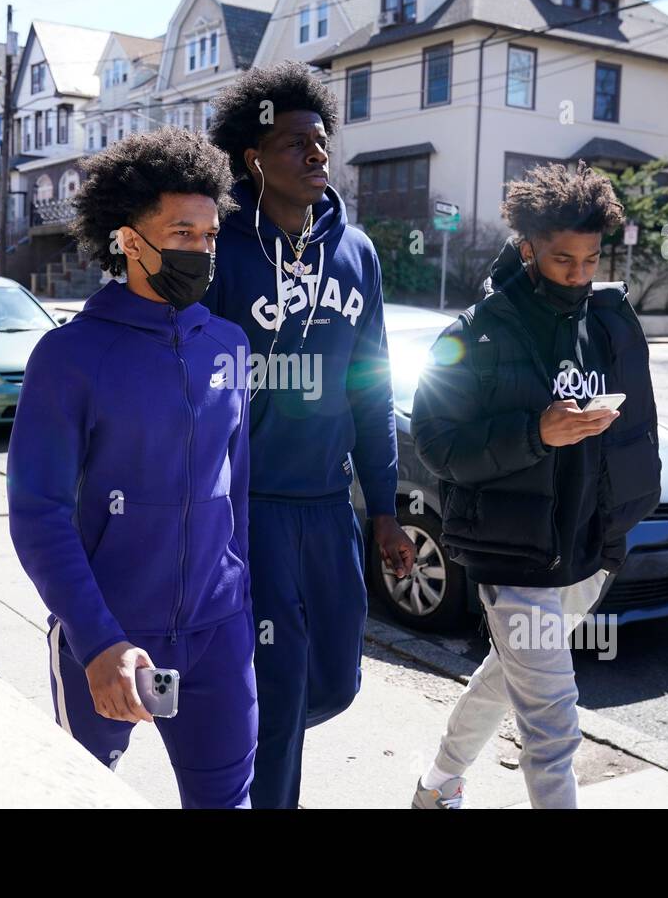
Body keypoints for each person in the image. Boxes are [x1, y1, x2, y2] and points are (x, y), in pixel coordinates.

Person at [6, 127, 256, 808]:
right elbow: (39, 515)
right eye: (182, 233)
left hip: (217, 633)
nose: (201, 252)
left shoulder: (229, 346)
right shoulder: (69, 356)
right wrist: (96, 641)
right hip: (109, 635)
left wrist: (242, 612)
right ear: (127, 240)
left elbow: (238, 496)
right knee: (79, 796)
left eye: (208, 236)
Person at [410, 161, 662, 809]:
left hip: (587, 546)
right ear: (528, 250)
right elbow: (436, 446)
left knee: (505, 678)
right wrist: (535, 434)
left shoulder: (602, 321)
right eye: (562, 260)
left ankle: (437, 785)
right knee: (553, 722)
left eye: (590, 259)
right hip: (515, 554)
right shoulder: (474, 335)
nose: (579, 275)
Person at [205, 61, 416, 809]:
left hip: (329, 510)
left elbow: (374, 385)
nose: (317, 154)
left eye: (321, 141)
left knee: (333, 678)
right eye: (297, 143)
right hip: (252, 509)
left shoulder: (356, 253)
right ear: (253, 157)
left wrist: (384, 508)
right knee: (278, 684)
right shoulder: (222, 249)